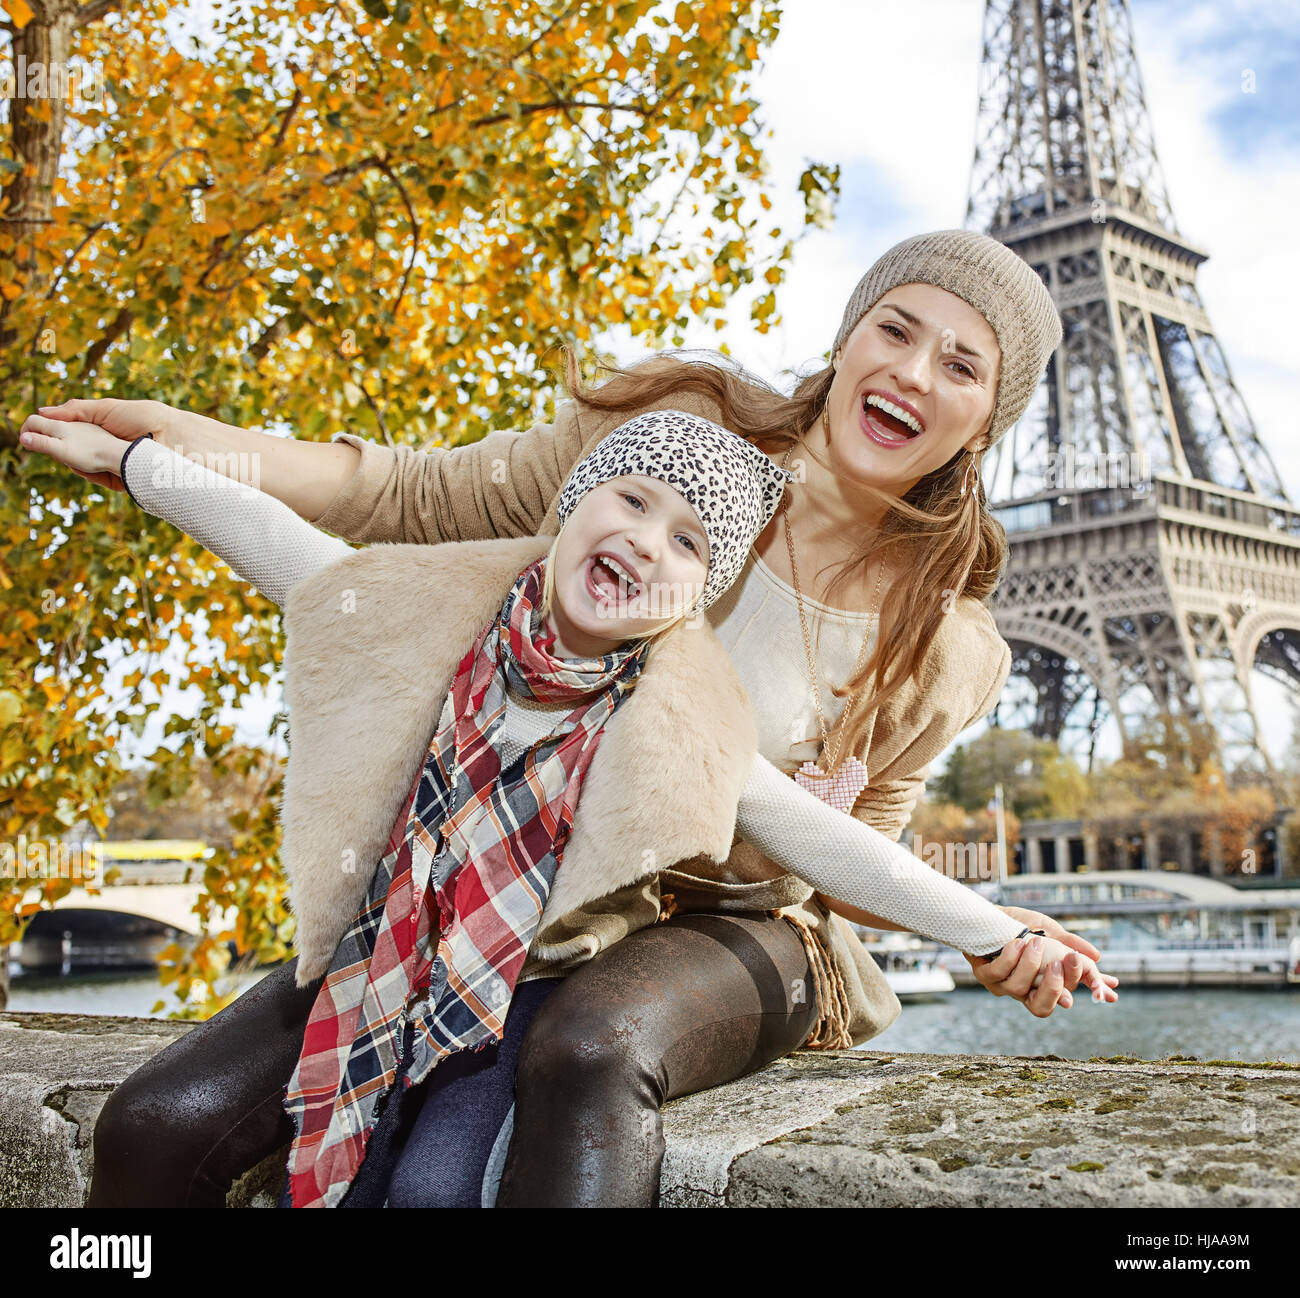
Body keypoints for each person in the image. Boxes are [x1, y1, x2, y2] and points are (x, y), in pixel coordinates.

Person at [21, 229, 1120, 1207]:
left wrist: (992, 933)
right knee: (162, 1123)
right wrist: (173, 445)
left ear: (986, 419)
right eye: (896, 328)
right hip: (498, 875)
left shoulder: (948, 642)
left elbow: (844, 860)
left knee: (589, 1041)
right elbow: (395, 498)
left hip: (737, 927)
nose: (912, 370)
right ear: (848, 336)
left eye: (960, 363)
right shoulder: (675, 452)